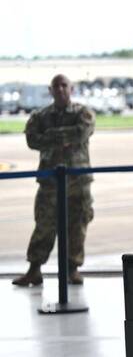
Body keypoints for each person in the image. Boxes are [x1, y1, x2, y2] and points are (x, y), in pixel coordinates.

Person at [14, 74, 95, 286]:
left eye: (64, 85)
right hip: (50, 182)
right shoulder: (40, 116)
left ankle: (72, 270)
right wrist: (63, 138)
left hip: (78, 181)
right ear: (50, 90)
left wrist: (49, 136)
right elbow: (32, 139)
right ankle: (34, 269)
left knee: (77, 226)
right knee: (44, 225)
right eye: (56, 86)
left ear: (71, 88)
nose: (60, 89)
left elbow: (81, 133)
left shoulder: (83, 113)